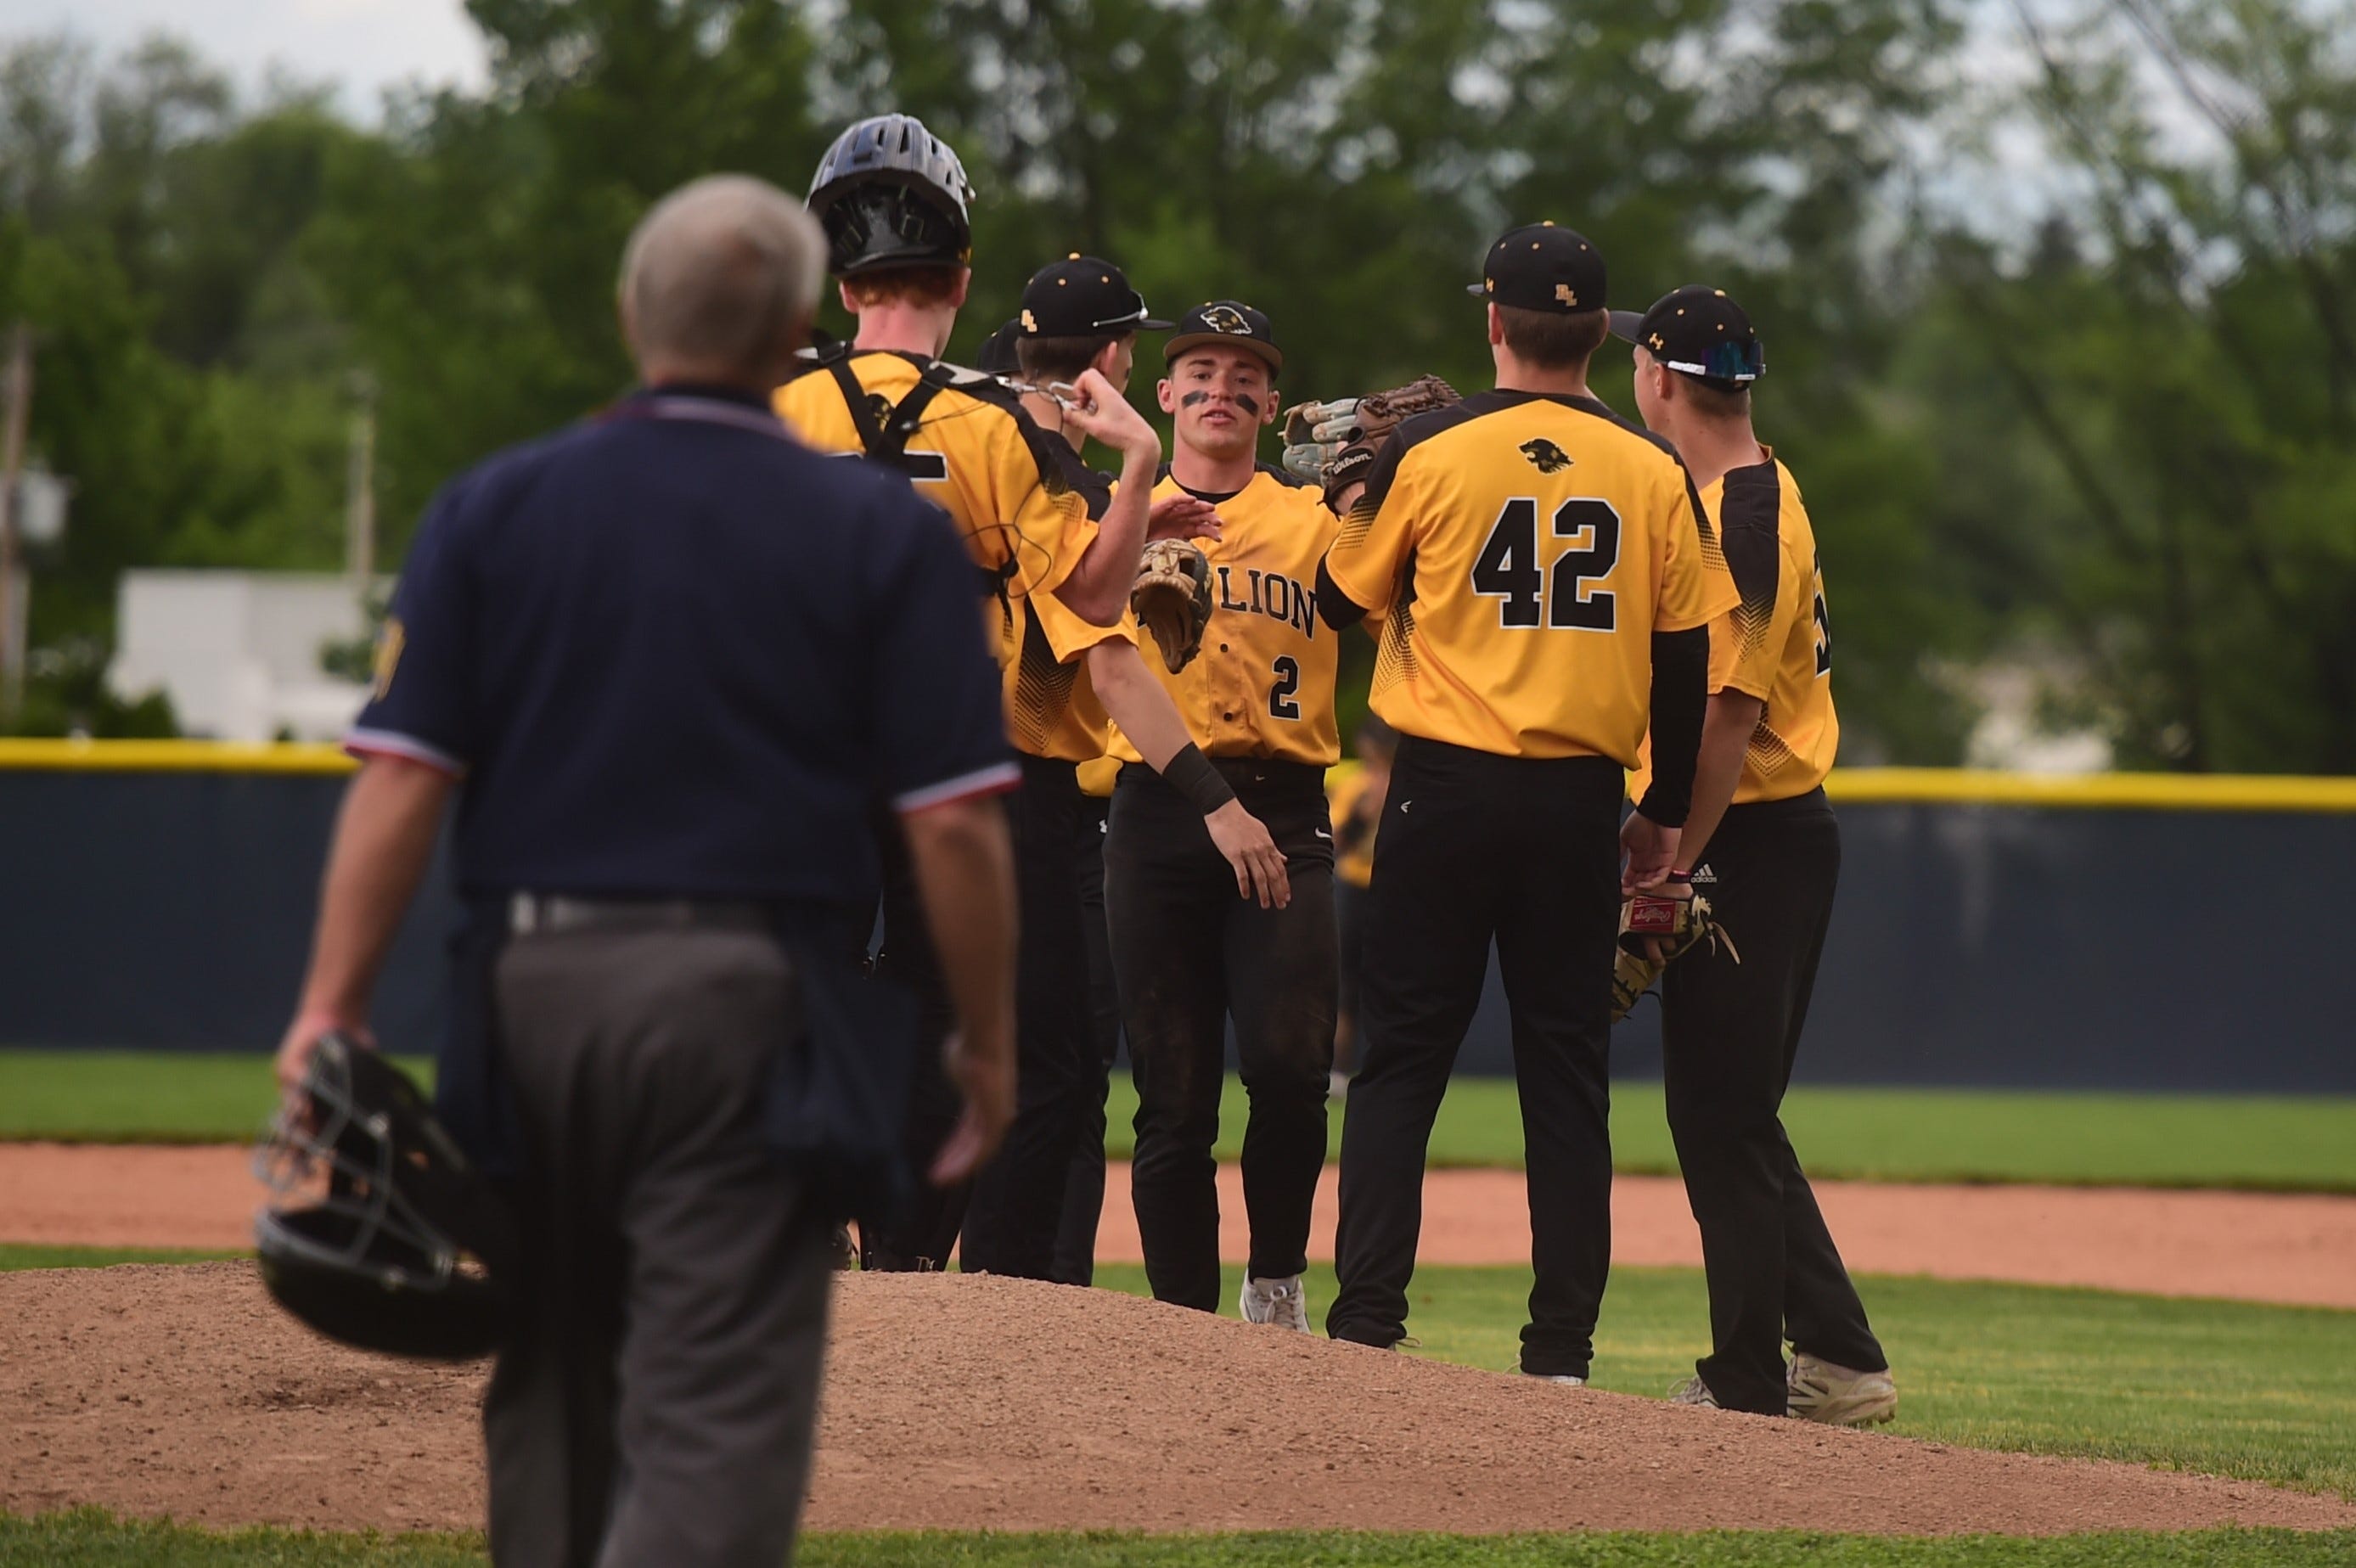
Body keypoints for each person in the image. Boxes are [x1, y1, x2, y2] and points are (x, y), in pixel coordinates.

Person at [273, 175, 1020, 1567]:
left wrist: (331, 1003)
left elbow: (403, 780)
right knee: (720, 1408)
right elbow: (957, 825)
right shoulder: (872, 535)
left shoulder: (495, 505)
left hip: (528, 991)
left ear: (632, 315)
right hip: (746, 996)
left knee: (551, 1375)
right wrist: (981, 1034)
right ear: (800, 324)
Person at [1315, 224, 1738, 1381]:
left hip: (1440, 788)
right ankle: (1556, 1349)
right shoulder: (1651, 469)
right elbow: (1687, 656)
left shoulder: (1434, 450)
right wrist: (1654, 807)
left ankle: (1366, 1327)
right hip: (1574, 801)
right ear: (1601, 333)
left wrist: (1357, 490)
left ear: (1490, 323)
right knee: (1563, 1072)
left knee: (1401, 1058)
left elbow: (1337, 589)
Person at [773, 120, 1171, 1278]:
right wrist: (1137, 470)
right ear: (957, 280)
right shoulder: (995, 420)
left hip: (799, 764)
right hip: (953, 763)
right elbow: (1092, 596)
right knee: (990, 1032)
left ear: (838, 279)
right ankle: (925, 1271)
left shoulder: (767, 397)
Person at [1613, 285, 1898, 1425]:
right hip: (1761, 825)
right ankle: (1834, 1351)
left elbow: (1727, 714)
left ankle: (1749, 1375)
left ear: (1661, 382)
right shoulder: (1748, 483)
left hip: (1749, 826)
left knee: (1720, 1112)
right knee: (1726, 1110)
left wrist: (1672, 853)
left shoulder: (1739, 509)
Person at [984, 264, 1291, 1285]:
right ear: (1120, 367)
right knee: (1061, 1067)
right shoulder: (1052, 471)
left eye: (1244, 375)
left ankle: (1032, 1285)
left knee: (1065, 1065)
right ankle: (977, 1277)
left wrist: (1134, 515)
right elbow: (1110, 658)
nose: (1219, 389)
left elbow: (1078, 582)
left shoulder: (1022, 464)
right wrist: (1141, 473)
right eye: (1161, 356)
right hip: (1041, 789)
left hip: (1021, 791)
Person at [1105, 301, 1341, 1329]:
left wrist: (1384, 477)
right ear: (1164, 396)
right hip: (1161, 813)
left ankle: (1276, 1284)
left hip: (1284, 803)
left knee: (1291, 1068)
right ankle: (1180, 1327)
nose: (1222, 387)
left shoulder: (1319, 523)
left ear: (1273, 402)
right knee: (1173, 1095)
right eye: (1199, 369)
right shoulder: (1120, 519)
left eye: (1247, 373)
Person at [1325, 712, 1397, 1095]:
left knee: (1392, 985)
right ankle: (1340, 1071)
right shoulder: (1355, 787)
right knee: (1345, 984)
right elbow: (1338, 843)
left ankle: (1387, 1069)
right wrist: (1364, 813)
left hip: (1393, 891)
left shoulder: (1407, 788)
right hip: (1355, 887)